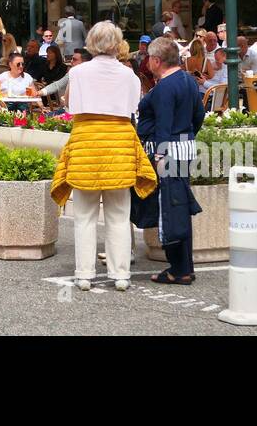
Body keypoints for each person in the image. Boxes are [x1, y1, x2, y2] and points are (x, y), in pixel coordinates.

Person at [50, 21, 156, 292]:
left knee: (84, 215)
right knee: (119, 215)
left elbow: (71, 106)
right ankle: (120, 274)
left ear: (91, 44)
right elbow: (133, 110)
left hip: (86, 140)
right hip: (119, 142)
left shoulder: (79, 72)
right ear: (117, 44)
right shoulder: (129, 75)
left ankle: (84, 274)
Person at [133, 36, 204, 284]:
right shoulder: (188, 80)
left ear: (156, 60)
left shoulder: (164, 86)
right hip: (184, 147)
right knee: (180, 208)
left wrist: (159, 155)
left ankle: (179, 269)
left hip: (167, 151)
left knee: (170, 210)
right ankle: (185, 265)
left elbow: (162, 123)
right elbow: (199, 114)